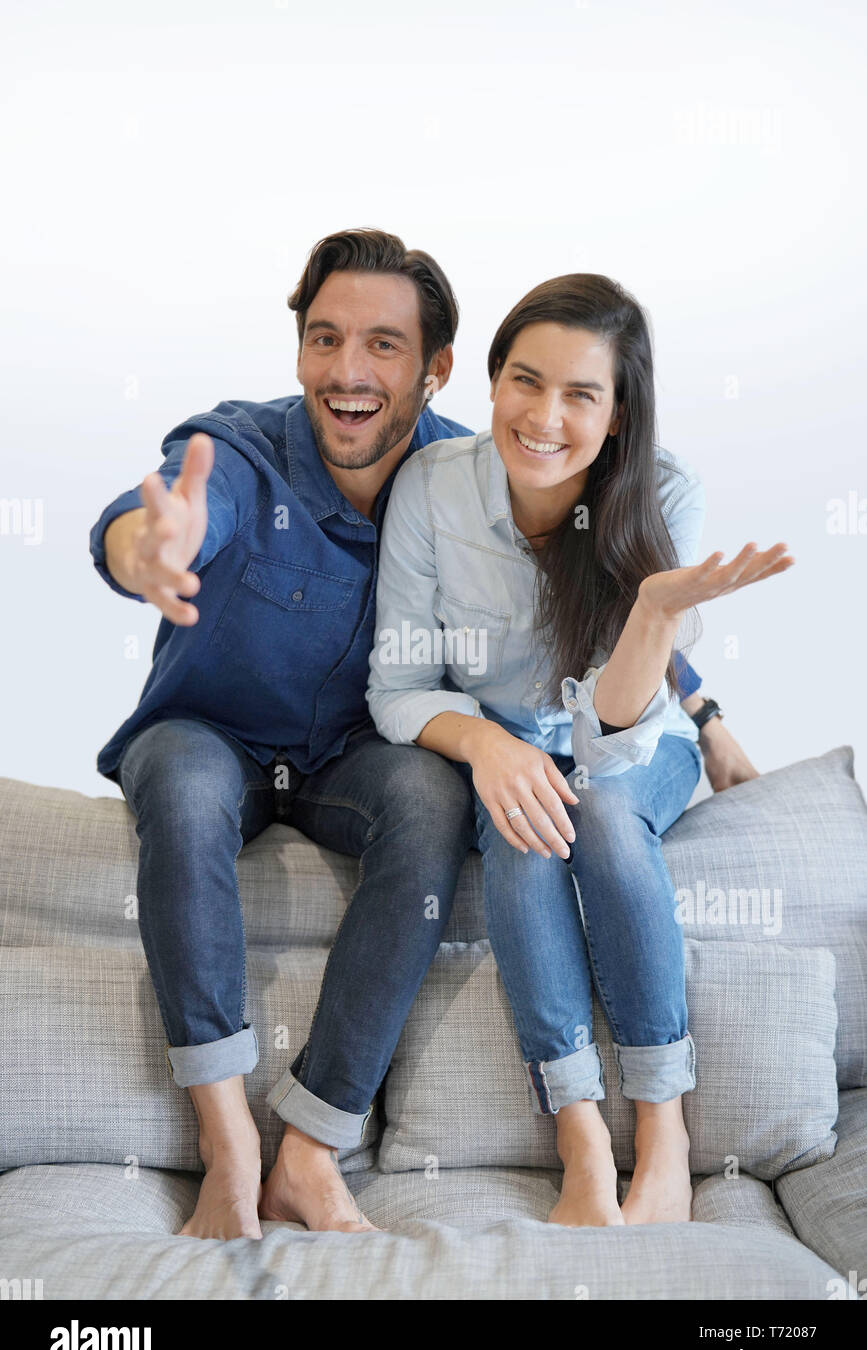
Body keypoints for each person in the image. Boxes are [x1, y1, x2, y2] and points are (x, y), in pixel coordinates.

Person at [89, 230, 756, 1240]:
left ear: (436, 367)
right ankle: (229, 1152)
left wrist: (705, 717)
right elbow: (165, 512)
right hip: (210, 734)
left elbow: (600, 609)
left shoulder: (482, 469)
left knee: (437, 799)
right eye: (325, 338)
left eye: (383, 345)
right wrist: (148, 547)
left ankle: (310, 1148)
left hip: (361, 755)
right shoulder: (264, 455)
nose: (347, 371)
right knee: (184, 788)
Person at [366, 272, 793, 1226]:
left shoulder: (664, 492)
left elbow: (612, 743)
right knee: (525, 826)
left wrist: (651, 614)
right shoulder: (431, 487)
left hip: (637, 741)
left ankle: (664, 1132)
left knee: (592, 805)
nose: (544, 417)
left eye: (580, 394)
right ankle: (580, 1137)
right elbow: (397, 685)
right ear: (490, 380)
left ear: (617, 412)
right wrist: (485, 745)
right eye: (525, 380)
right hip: (504, 744)